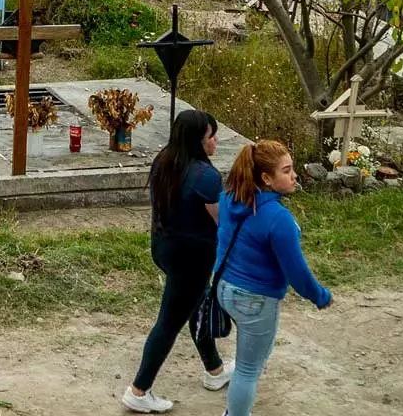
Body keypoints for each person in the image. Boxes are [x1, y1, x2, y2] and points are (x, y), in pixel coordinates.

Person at [122, 110, 229, 413]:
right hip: (192, 258)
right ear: (198, 140)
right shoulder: (205, 176)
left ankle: (215, 370)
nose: (216, 141)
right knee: (169, 321)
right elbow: (222, 221)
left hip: (163, 248)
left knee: (193, 305)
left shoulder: (165, 160)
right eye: (212, 136)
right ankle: (139, 390)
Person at [214, 140, 332, 416]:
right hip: (255, 299)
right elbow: (297, 272)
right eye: (286, 171)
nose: (294, 177)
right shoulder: (278, 219)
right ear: (266, 178)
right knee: (248, 369)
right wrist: (319, 295)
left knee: (248, 361)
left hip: (224, 288)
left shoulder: (229, 198)